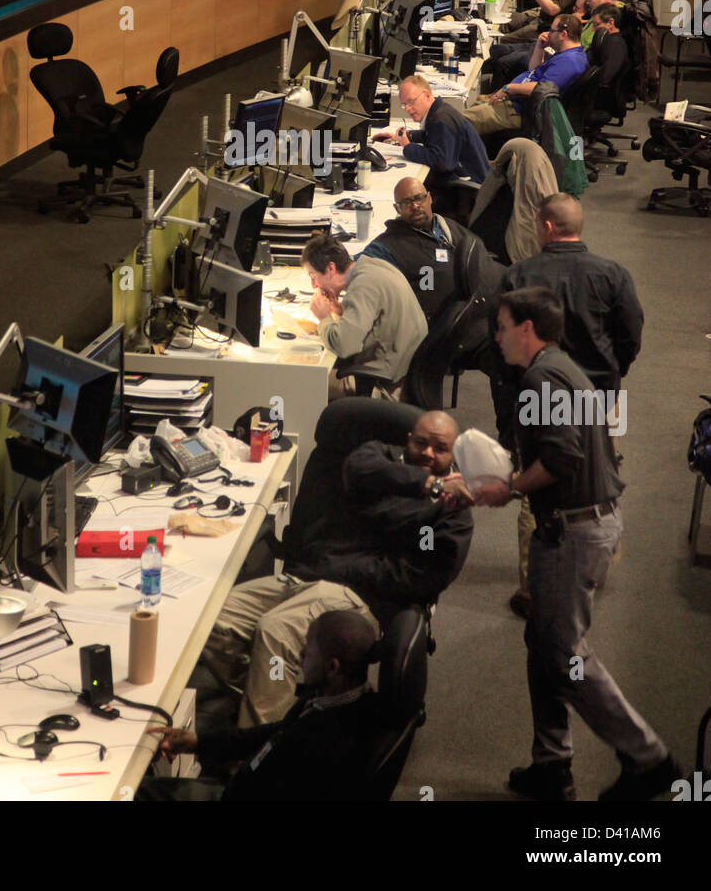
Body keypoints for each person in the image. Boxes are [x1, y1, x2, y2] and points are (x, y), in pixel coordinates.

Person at [476, 286, 677, 802]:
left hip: (574, 531)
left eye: (501, 327)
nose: (495, 337)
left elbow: (562, 456)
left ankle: (648, 758)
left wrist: (509, 489)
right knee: (542, 644)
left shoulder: (542, 376)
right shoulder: (561, 366)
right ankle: (552, 763)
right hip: (580, 525)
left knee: (565, 653)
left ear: (526, 328)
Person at [199, 411, 473, 725]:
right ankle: (276, 710)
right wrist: (431, 484)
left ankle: (262, 756)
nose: (427, 453)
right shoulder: (382, 459)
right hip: (309, 574)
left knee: (275, 632)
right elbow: (358, 469)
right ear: (408, 439)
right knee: (211, 620)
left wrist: (350, 568)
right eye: (421, 443)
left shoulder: (454, 512)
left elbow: (422, 578)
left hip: (360, 596)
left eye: (440, 448)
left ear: (454, 454)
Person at [494, 193, 645, 616]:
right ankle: (591, 570)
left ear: (545, 227)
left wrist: (510, 403)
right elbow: (631, 331)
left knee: (537, 484)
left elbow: (500, 345)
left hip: (537, 394)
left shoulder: (520, 274)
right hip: (599, 393)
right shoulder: (612, 273)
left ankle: (533, 586)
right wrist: (615, 371)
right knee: (601, 466)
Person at [138, 610, 382, 801]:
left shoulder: (329, 742)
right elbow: (276, 732)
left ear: (332, 667)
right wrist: (199, 742)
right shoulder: (333, 697)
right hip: (245, 786)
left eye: (308, 650)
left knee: (133, 792)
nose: (300, 654)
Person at [363, 176, 504, 408]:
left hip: (488, 315)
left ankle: (512, 433)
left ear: (429, 198)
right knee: (504, 359)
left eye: (419, 198)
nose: (415, 206)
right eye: (406, 203)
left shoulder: (448, 227)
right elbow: (358, 268)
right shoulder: (389, 245)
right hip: (450, 333)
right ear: (397, 209)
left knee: (516, 367)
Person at [301, 231, 427, 400]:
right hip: (404, 370)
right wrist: (340, 312)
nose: (313, 285)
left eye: (313, 277)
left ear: (331, 268)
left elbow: (344, 346)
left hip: (385, 385)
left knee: (303, 381)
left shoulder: (362, 287)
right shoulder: (371, 266)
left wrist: (324, 318)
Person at [462, 13, 587, 139]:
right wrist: (539, 47)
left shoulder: (570, 62)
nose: (548, 34)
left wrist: (509, 88)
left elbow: (541, 90)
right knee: (469, 109)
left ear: (563, 35)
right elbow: (533, 71)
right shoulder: (566, 54)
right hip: (513, 102)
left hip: (518, 110)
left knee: (457, 122)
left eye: (551, 31)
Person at [485, 0, 589, 89]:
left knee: (502, 41)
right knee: (506, 28)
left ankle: (491, 85)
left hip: (546, 27)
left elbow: (553, 9)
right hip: (546, 26)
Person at [372, 75, 490, 187]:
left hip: (466, 190)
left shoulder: (441, 120)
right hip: (466, 179)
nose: (407, 108)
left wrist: (407, 146)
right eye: (404, 105)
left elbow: (441, 162)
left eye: (411, 102)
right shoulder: (440, 111)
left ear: (427, 95)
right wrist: (406, 136)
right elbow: (433, 136)